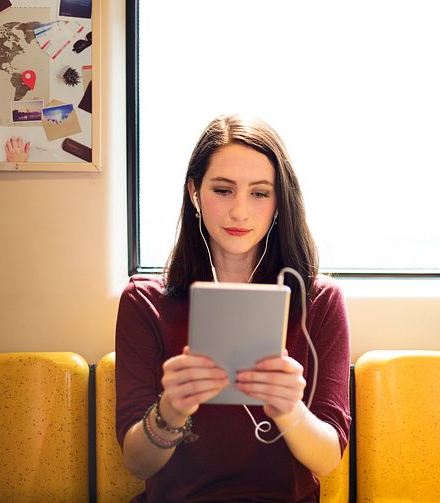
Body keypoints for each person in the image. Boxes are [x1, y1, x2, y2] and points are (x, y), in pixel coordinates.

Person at [115, 114, 350, 502]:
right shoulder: (145, 301)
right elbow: (137, 463)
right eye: (223, 190)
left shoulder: (319, 302)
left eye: (259, 193)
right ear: (194, 192)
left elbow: (327, 458)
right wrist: (171, 410)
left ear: (279, 203)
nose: (240, 211)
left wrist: (289, 409)